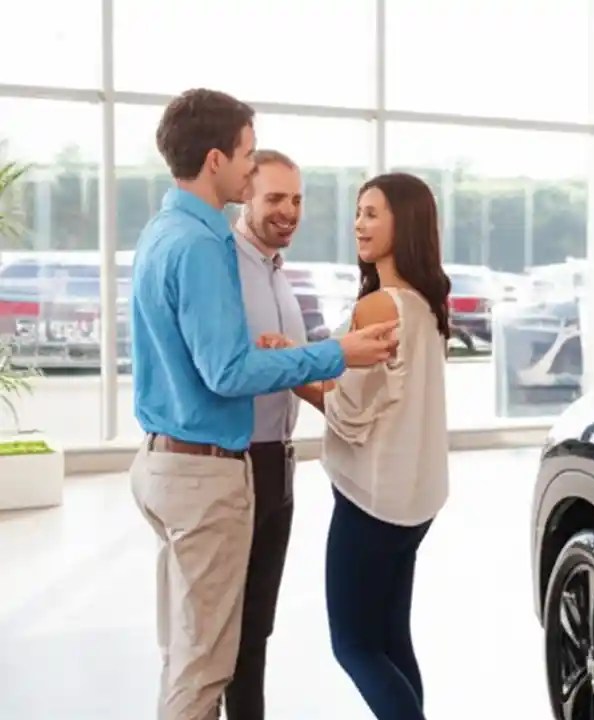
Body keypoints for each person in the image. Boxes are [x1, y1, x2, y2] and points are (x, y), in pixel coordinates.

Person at [128, 88, 400, 720]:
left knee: (188, 655)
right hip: (205, 471)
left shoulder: (163, 231)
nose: (253, 173)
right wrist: (337, 353)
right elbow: (228, 371)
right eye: (249, 159)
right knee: (205, 669)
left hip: (170, 464)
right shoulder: (202, 245)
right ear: (217, 158)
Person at [267, 172, 450, 719]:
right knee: (391, 638)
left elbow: (347, 412)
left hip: (372, 500)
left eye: (372, 213)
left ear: (405, 222)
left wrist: (288, 367)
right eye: (358, 212)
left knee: (354, 644)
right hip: (415, 503)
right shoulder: (428, 302)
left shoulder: (380, 306)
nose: (359, 224)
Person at [222, 149, 309, 720]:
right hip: (236, 463)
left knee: (257, 627)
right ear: (246, 197)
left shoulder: (277, 273)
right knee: (224, 632)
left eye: (297, 200)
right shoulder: (224, 267)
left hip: (280, 461)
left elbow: (291, 367)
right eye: (275, 198)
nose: (289, 211)